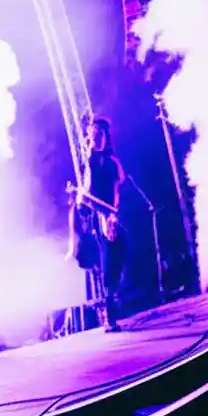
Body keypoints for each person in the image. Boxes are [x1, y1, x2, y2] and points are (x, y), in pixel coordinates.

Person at [71, 116, 128, 332]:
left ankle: (111, 298)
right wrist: (83, 200)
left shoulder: (112, 163)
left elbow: (115, 192)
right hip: (95, 215)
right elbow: (87, 191)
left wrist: (112, 214)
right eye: (94, 135)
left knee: (120, 251)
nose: (97, 138)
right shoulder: (90, 161)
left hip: (108, 213)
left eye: (101, 134)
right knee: (107, 258)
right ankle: (109, 314)